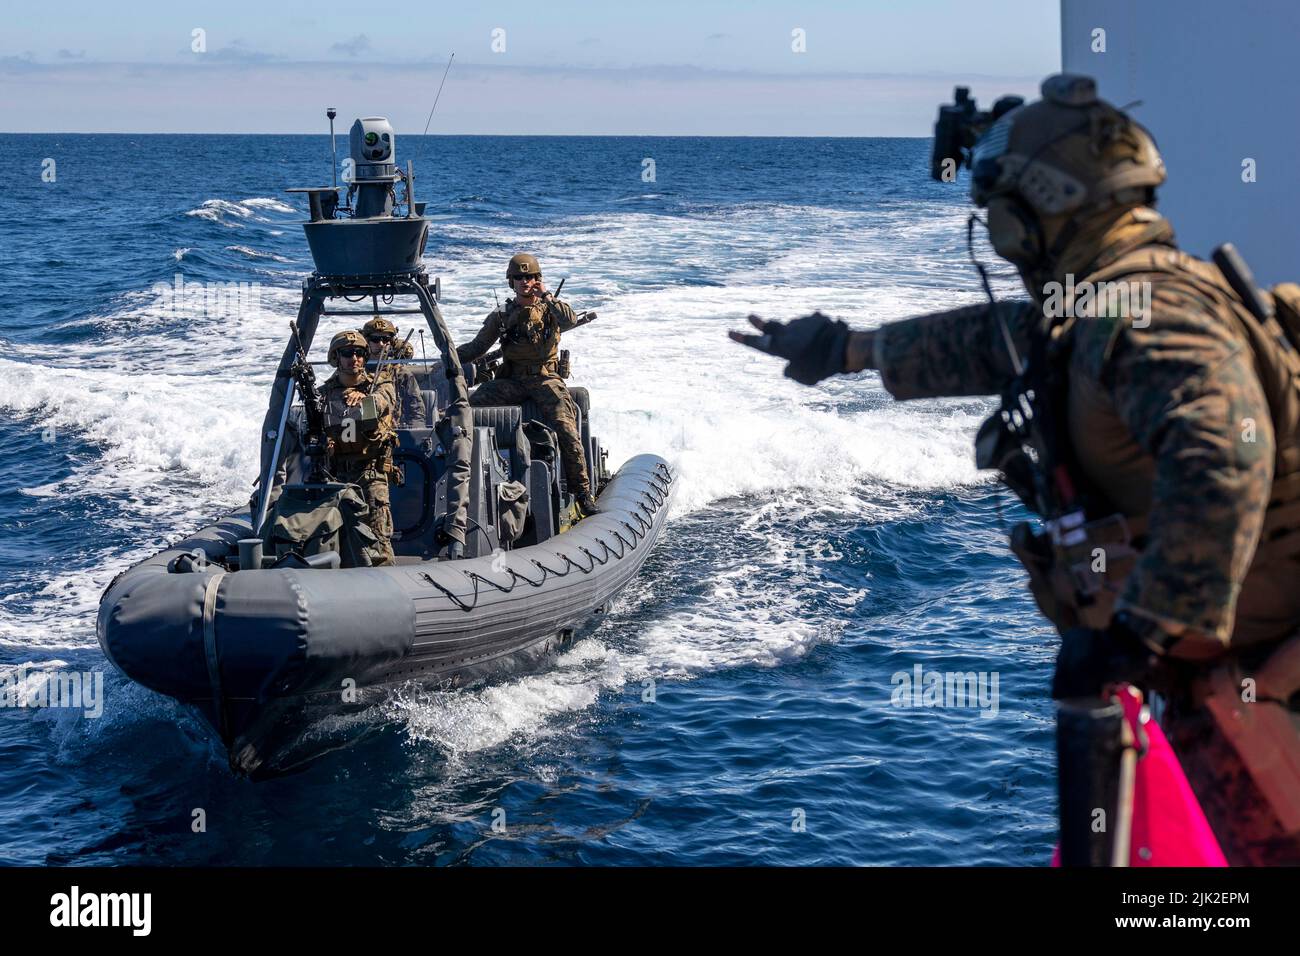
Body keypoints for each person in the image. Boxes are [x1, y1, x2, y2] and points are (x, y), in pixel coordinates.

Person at [732, 73, 1300, 865]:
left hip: (1267, 693)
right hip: (1235, 684)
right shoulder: (1102, 308)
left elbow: (1224, 459)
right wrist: (847, 349)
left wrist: (1139, 636)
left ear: (1033, 213)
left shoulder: (1146, 314)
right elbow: (1003, 337)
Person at [457, 252, 601, 516]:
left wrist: (546, 295)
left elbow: (569, 320)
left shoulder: (552, 309)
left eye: (531, 277)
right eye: (520, 277)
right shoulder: (502, 316)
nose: (525, 282)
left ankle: (582, 493)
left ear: (538, 279)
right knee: (466, 409)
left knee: (567, 431)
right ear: (511, 281)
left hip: (546, 380)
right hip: (512, 380)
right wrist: (449, 356)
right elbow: (477, 347)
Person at [321, 329, 399, 567]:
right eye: (346, 353)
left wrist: (362, 400)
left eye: (358, 353)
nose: (353, 358)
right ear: (336, 357)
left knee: (378, 540)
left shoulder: (379, 385)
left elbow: (381, 402)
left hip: (370, 473)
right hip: (336, 474)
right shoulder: (324, 393)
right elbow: (313, 430)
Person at [362, 316, 427, 427]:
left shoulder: (401, 374)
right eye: (375, 339)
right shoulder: (355, 373)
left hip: (395, 433)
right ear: (367, 342)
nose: (381, 344)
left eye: (386, 339)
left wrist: (414, 437)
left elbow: (416, 412)